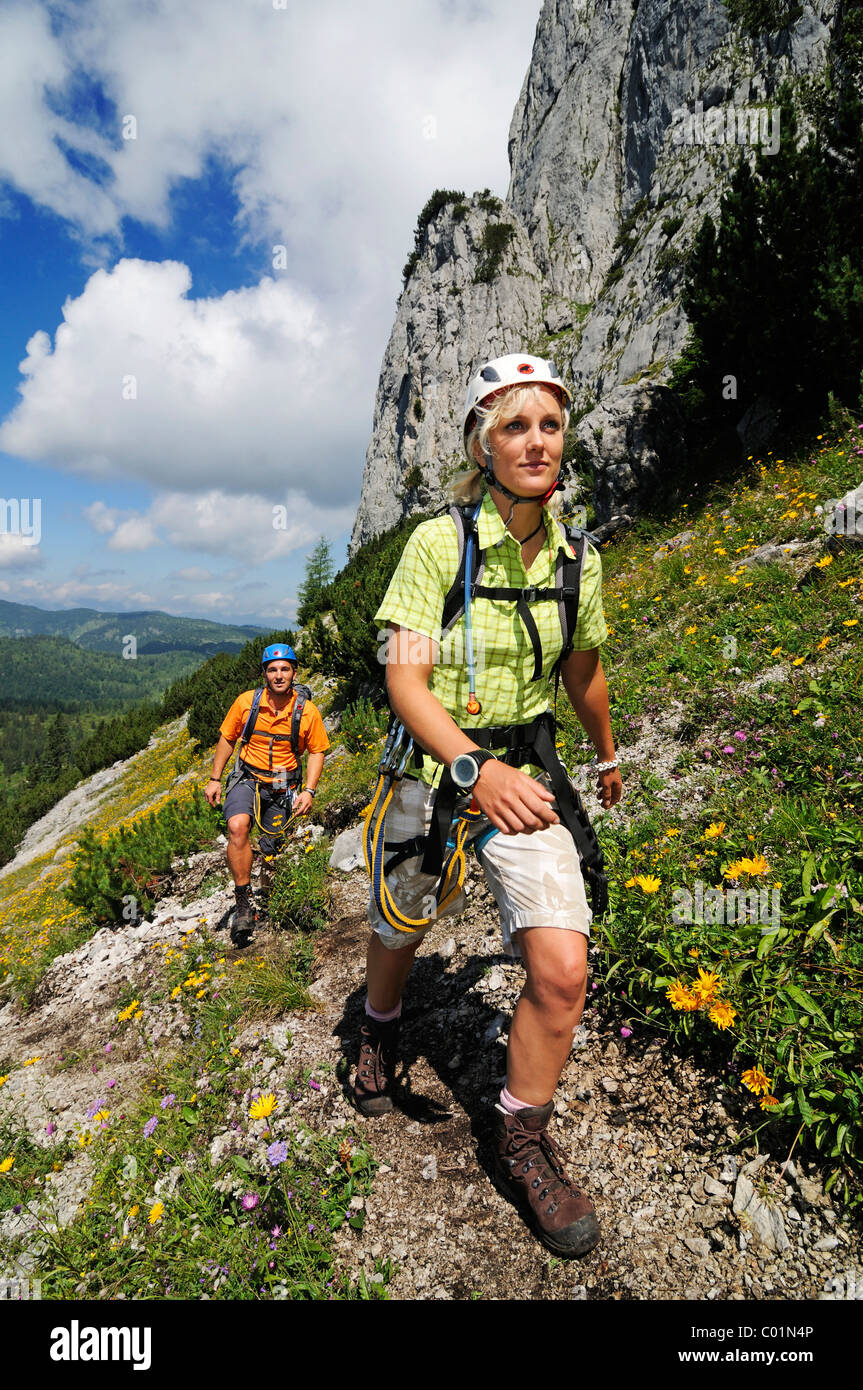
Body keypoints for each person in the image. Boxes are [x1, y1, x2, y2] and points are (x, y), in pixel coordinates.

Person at [354, 353, 623, 1258]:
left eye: (549, 424)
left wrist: (608, 751)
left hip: (528, 767)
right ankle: (380, 1025)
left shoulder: (580, 556)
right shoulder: (439, 543)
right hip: (438, 769)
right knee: (400, 924)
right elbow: (404, 679)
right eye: (514, 425)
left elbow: (582, 673)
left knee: (561, 971)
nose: (535, 441)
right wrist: (476, 772)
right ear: (482, 442)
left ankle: (520, 1136)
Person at [204, 644, 330, 945]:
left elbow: (317, 751)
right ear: (264, 674)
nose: (278, 675)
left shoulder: (306, 711)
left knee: (272, 848)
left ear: (294, 673)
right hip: (247, 777)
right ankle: (244, 905)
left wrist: (309, 790)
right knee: (237, 826)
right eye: (272, 669)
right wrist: (214, 778)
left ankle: (272, 891)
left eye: (284, 669)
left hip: (283, 785)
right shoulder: (247, 703)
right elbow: (228, 737)